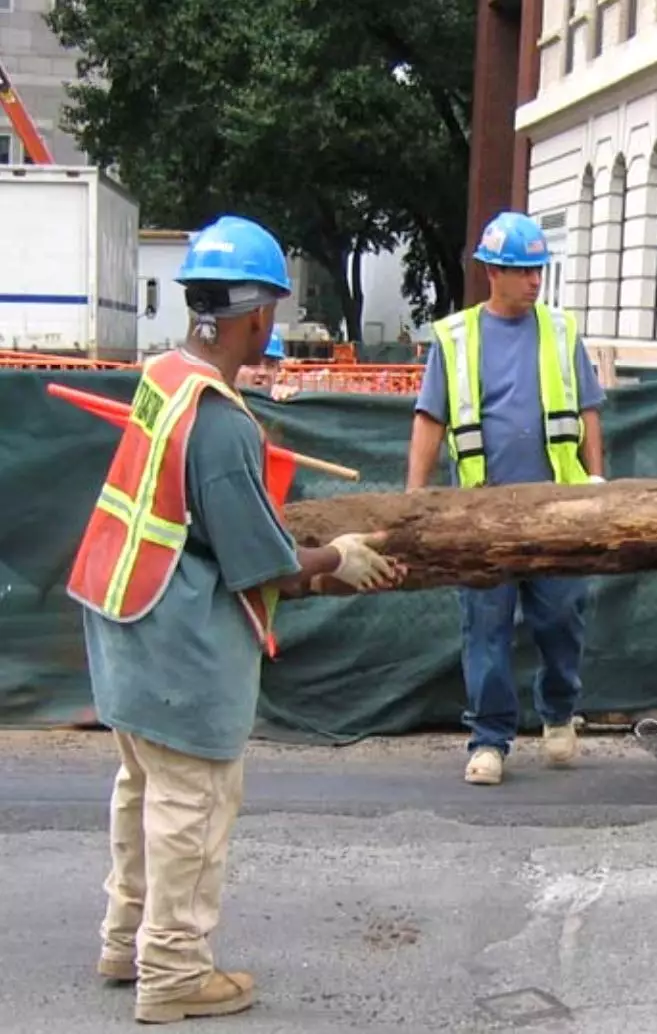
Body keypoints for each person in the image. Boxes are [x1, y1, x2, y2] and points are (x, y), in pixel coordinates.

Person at [67, 214, 405, 1023]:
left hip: (119, 618)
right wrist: (340, 556)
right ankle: (175, 971)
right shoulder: (219, 421)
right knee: (192, 804)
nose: (275, 326)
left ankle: (127, 938)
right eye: (275, 312)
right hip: (176, 647)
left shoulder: (164, 376)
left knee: (142, 789)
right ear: (255, 314)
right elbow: (267, 565)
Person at [405, 210, 608, 786]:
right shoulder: (455, 338)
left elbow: (589, 412)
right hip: (481, 511)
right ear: (493, 272)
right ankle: (490, 739)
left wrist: (596, 484)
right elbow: (430, 419)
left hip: (558, 508)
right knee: (486, 626)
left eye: (539, 270)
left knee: (562, 617)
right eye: (524, 272)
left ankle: (559, 711)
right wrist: (413, 501)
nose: (535, 281)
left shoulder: (562, 332)